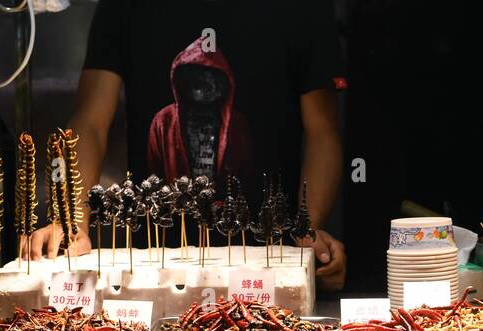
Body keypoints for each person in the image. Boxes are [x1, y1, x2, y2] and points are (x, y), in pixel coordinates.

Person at [26, 0, 347, 290]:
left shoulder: (303, 7)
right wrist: (70, 222)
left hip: (273, 266)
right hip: (155, 268)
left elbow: (323, 131)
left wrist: (310, 226)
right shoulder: (126, 7)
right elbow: (90, 122)